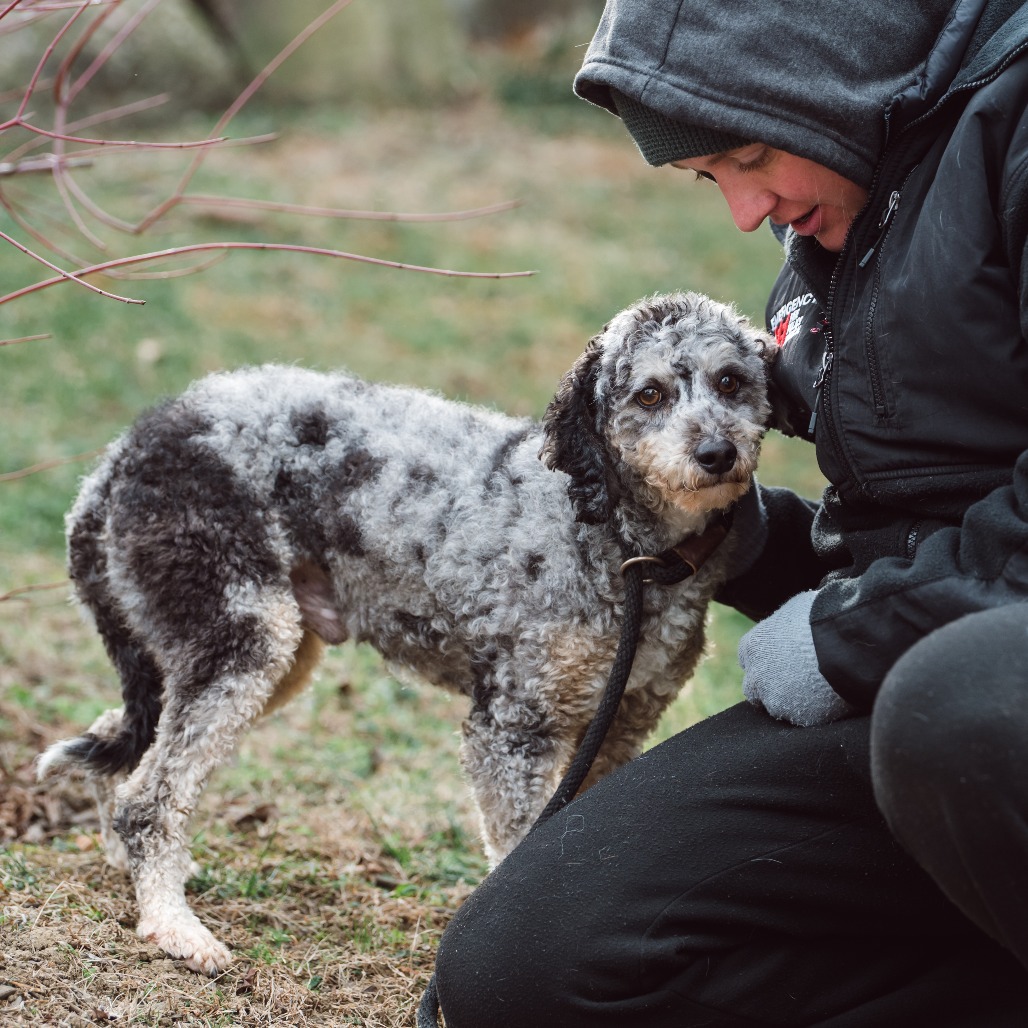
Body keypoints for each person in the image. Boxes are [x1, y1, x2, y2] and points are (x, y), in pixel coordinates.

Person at [431, 0, 1028, 1024]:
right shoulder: (849, 194)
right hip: (912, 703)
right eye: (711, 178)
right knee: (524, 964)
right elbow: (917, 508)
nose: (745, 212)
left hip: (970, 702)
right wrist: (755, 546)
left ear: (827, 78)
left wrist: (852, 630)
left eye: (749, 157)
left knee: (957, 702)